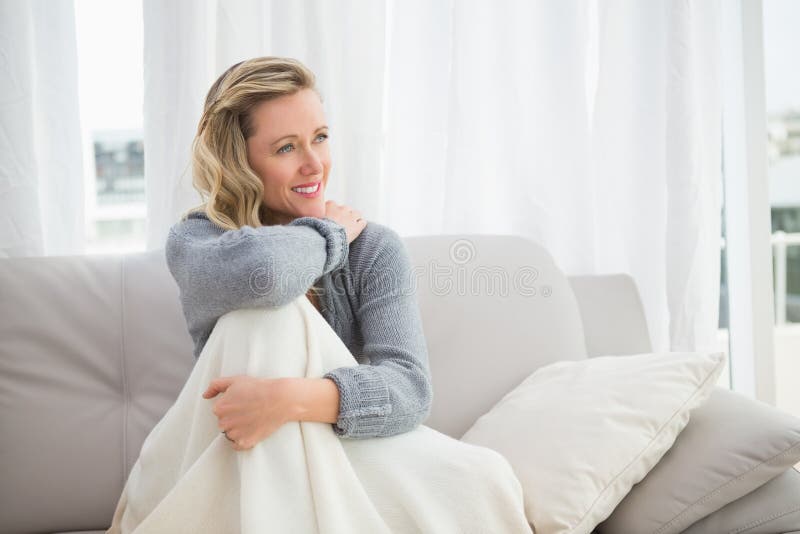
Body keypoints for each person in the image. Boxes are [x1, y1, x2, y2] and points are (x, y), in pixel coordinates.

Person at [164, 56, 434, 446]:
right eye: (286, 148)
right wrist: (330, 235)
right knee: (258, 315)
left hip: (348, 456)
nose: (314, 165)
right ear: (239, 162)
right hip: (244, 456)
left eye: (320, 138)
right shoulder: (196, 242)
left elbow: (410, 389)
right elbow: (266, 274)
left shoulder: (373, 249)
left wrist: (285, 400)